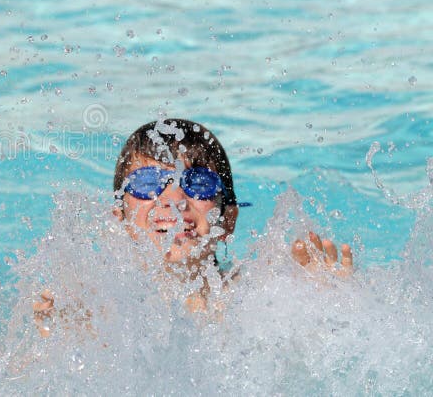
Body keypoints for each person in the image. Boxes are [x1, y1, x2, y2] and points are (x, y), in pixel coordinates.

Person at [34, 118, 352, 334]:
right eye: (147, 182)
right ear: (120, 220)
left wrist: (326, 301)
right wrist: (63, 337)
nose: (174, 200)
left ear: (227, 220)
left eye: (198, 183)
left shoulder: (256, 298)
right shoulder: (99, 311)